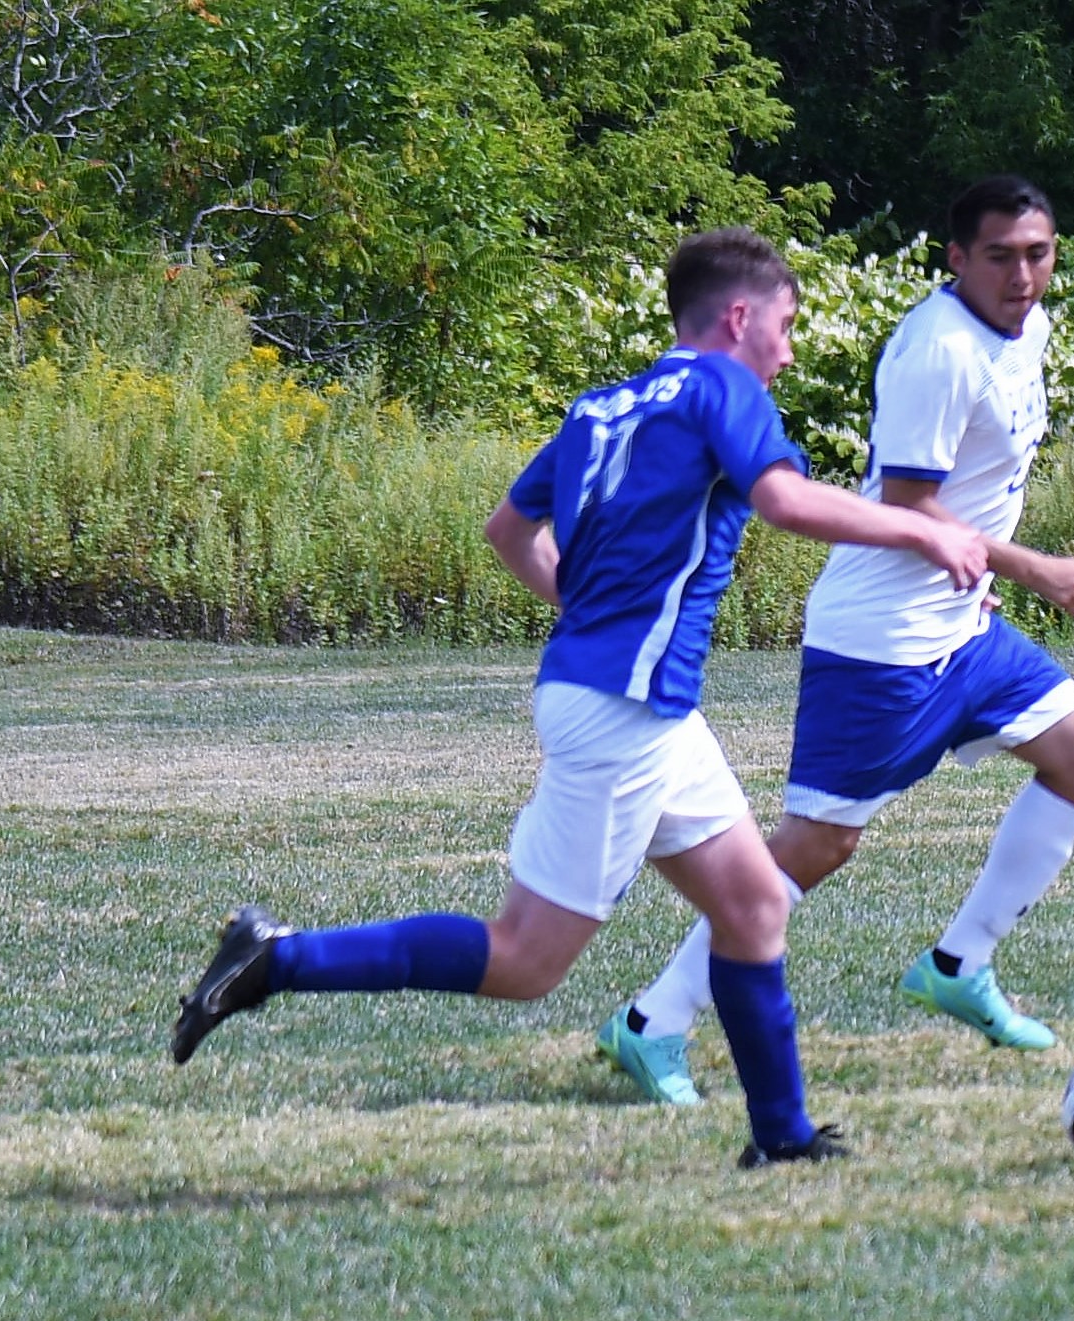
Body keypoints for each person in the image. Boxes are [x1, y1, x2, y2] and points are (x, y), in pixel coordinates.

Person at [168, 227, 987, 1168]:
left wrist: (590, 610)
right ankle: (278, 960)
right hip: (625, 708)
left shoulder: (601, 409)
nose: (789, 349)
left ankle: (783, 1135)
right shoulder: (723, 386)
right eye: (787, 325)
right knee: (523, 959)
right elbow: (785, 503)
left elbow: (509, 528)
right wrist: (926, 538)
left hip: (630, 698)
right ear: (738, 316)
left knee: (756, 902)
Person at [596, 176, 1074, 1106]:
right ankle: (651, 1022)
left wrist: (988, 583)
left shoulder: (1025, 329)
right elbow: (908, 505)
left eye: (1036, 253)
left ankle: (959, 965)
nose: (1021, 273)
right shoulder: (938, 352)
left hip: (960, 624)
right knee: (813, 848)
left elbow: (974, 489)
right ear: (956, 259)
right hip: (879, 641)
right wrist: (1034, 567)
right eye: (998, 255)